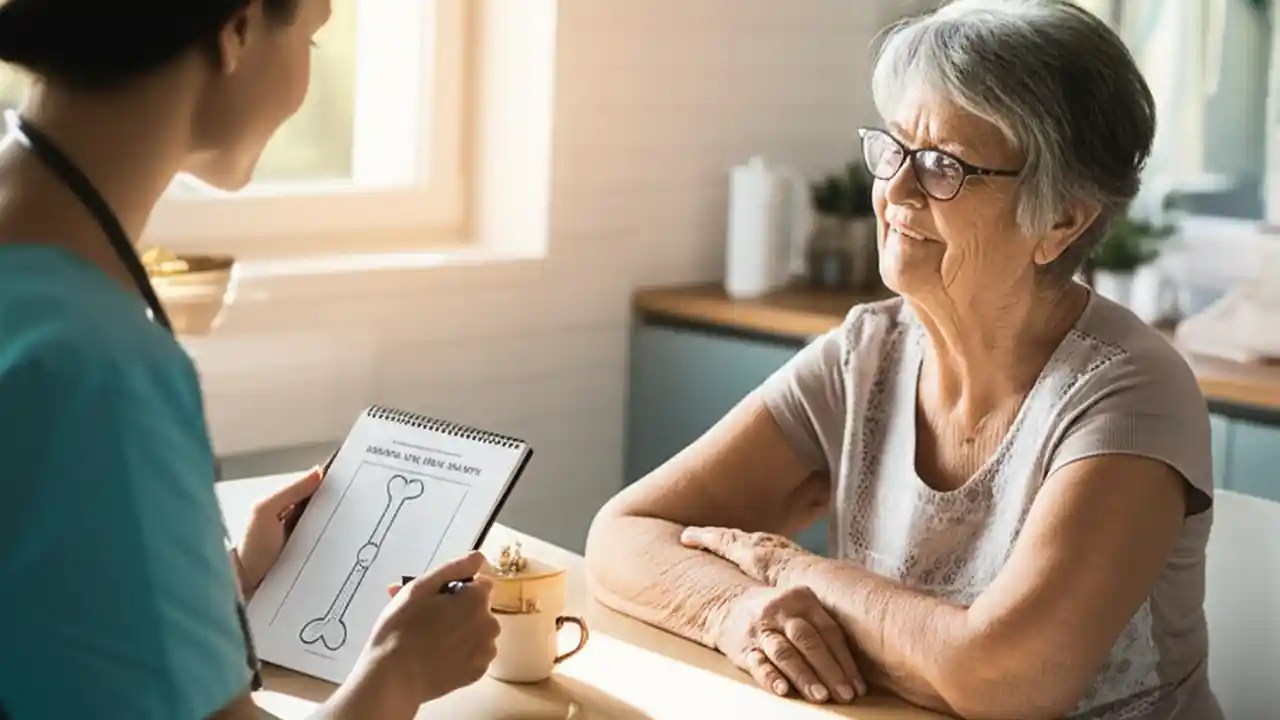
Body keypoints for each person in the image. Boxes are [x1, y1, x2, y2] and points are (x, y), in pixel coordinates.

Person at [586, 1, 1222, 718]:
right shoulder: (869, 352)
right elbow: (623, 534)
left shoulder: (1129, 394)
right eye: (895, 149)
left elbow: (1006, 681)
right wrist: (735, 613)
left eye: (944, 166)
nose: (894, 191)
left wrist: (791, 569)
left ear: (1060, 219)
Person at [0, 1, 499, 718]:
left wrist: (214, 583)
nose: (303, 88)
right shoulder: (95, 371)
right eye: (312, 38)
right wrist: (400, 668)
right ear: (236, 30)